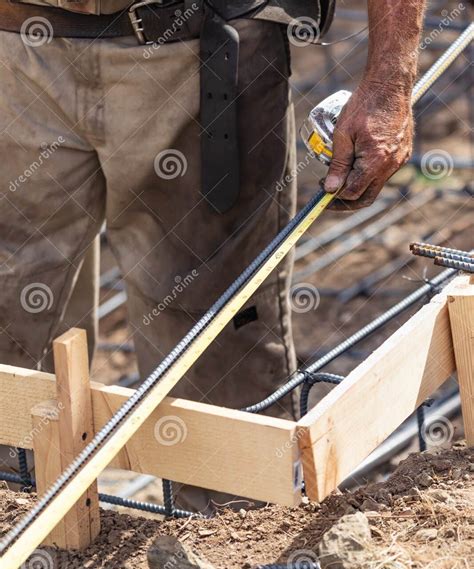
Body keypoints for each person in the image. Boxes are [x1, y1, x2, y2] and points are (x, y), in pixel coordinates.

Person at [0, 0, 425, 511]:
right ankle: (25, 544)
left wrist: (387, 83)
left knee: (213, 344)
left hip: (199, 51)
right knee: (12, 309)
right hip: (16, 47)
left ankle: (222, 551)